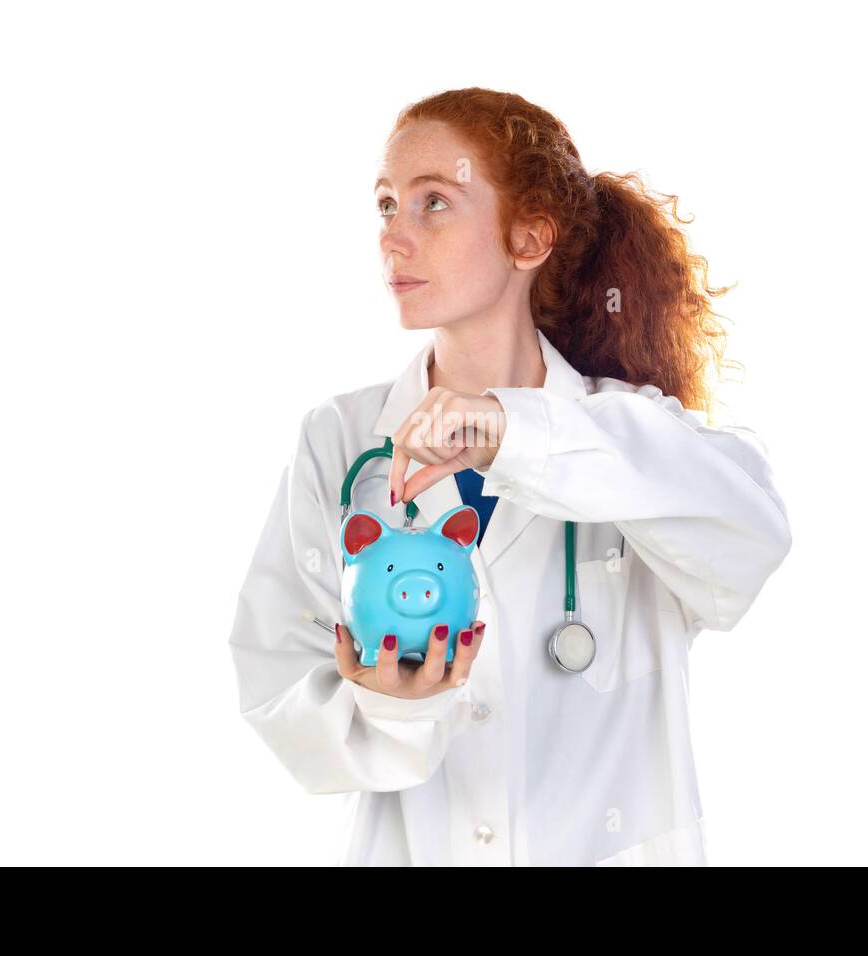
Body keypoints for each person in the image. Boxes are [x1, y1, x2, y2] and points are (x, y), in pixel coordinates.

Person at [227, 87, 792, 866]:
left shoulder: (628, 436)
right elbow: (274, 677)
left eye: (434, 203)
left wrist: (513, 431)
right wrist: (389, 712)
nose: (395, 236)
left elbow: (751, 535)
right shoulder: (342, 440)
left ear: (529, 240)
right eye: (386, 205)